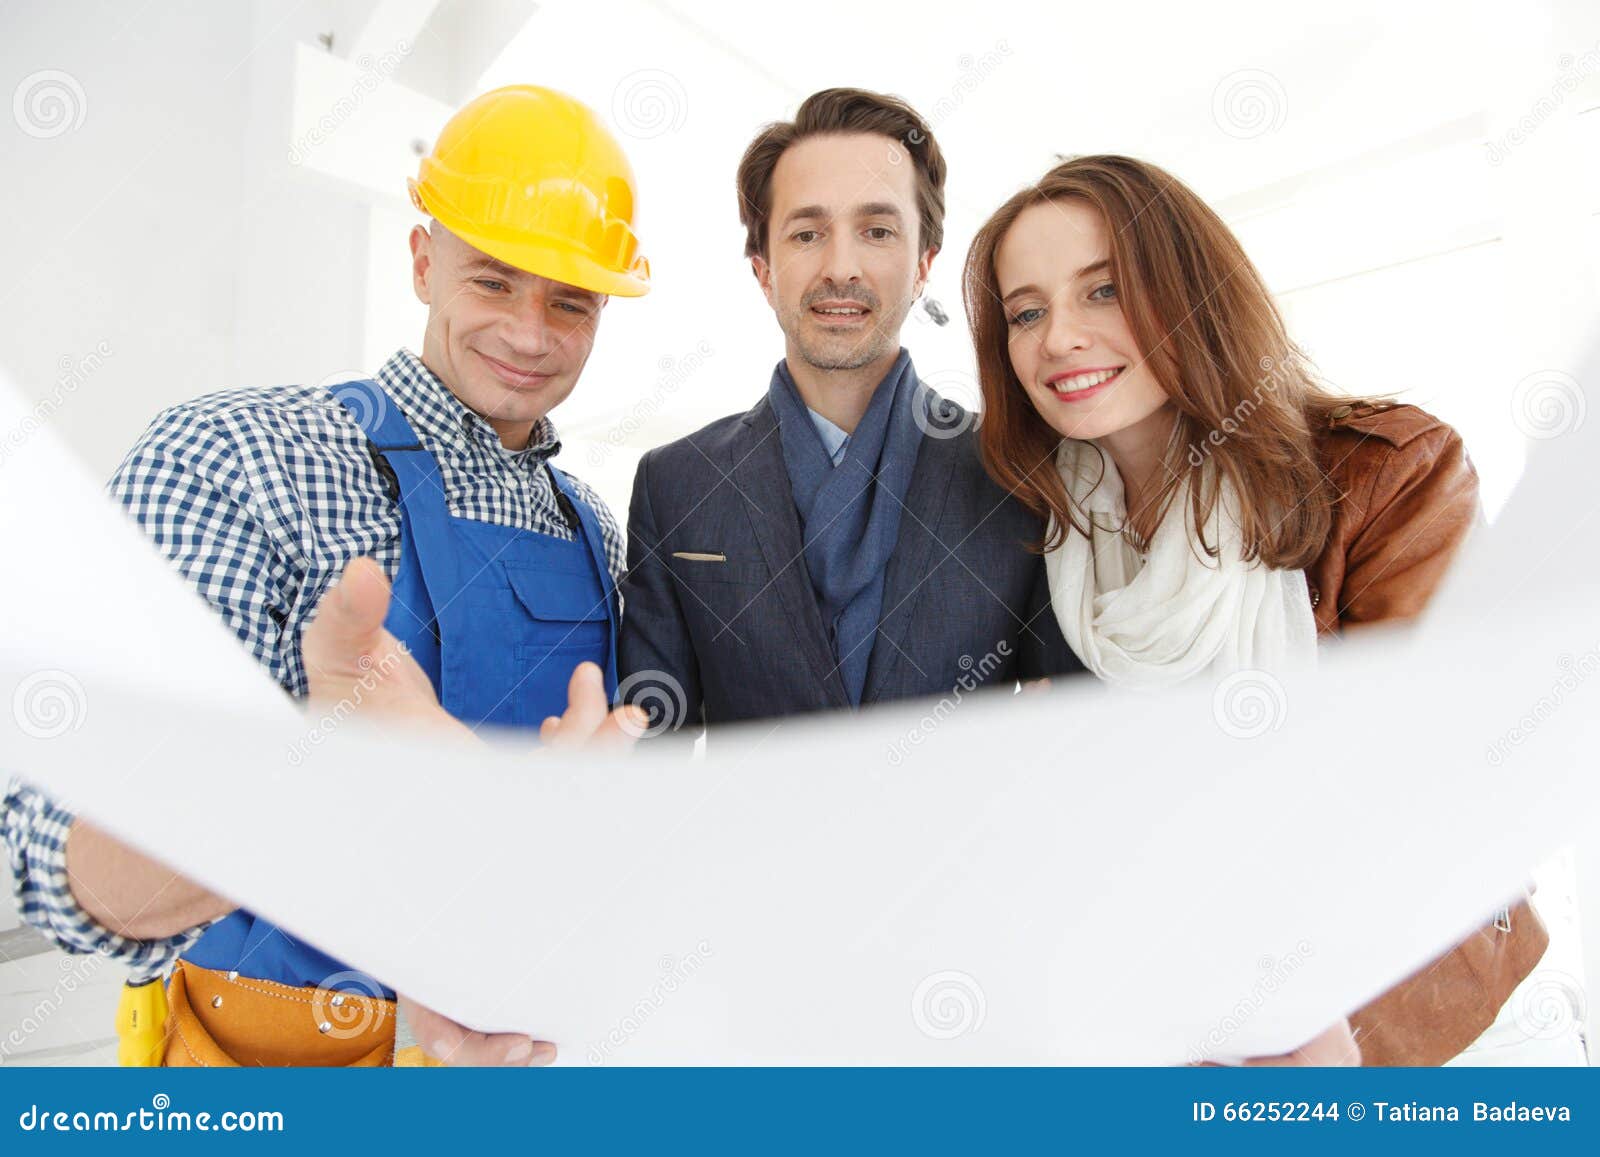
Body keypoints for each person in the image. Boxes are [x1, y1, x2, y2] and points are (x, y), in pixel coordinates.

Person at [2, 84, 646, 1067]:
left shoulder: (595, 531)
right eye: (493, 280)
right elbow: (71, 868)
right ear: (424, 259)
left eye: (569, 301)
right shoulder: (238, 456)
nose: (528, 333)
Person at [964, 153, 1548, 1064]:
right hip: (1181, 1022)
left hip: (1410, 1021)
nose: (1059, 338)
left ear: (1189, 292)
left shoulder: (1387, 471)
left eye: (1104, 291)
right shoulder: (1044, 528)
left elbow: (1437, 777)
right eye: (1026, 311)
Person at [616, 88, 1081, 738]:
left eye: (877, 231)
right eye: (807, 233)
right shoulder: (674, 485)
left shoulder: (1020, 472)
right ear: (763, 270)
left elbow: (1073, 731)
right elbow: (649, 752)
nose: (841, 267)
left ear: (924, 265)